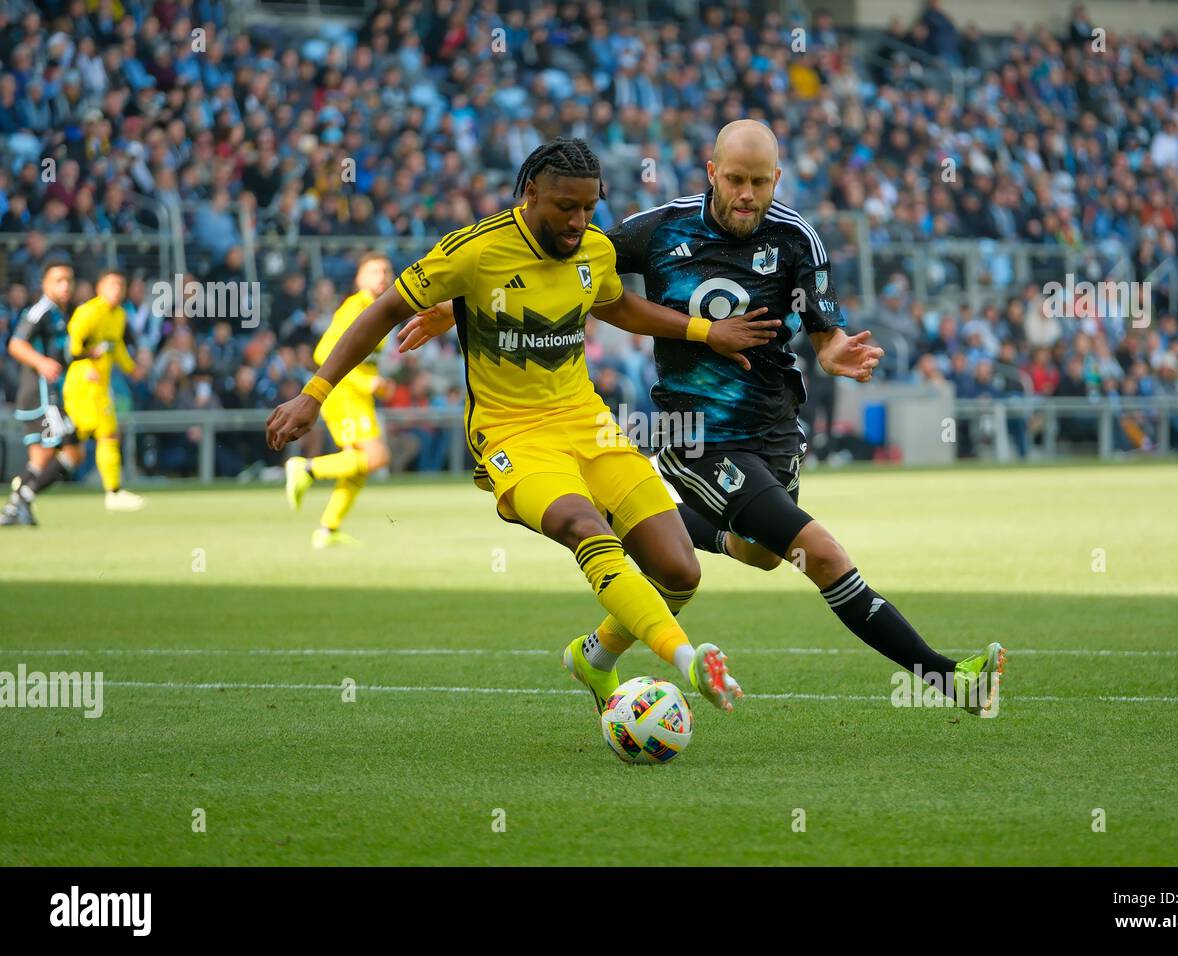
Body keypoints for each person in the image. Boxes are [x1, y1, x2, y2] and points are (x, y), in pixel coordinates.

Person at [400, 123, 1005, 716]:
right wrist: (457, 309)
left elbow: (825, 333)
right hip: (695, 433)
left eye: (760, 182)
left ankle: (603, 637)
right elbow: (562, 261)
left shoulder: (799, 239)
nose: (747, 194)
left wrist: (833, 350)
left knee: (762, 553)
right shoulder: (661, 229)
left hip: (772, 426)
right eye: (736, 179)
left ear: (777, 180)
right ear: (713, 173)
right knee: (821, 553)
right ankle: (949, 678)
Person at [267, 138, 778, 717]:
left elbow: (614, 305)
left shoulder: (593, 249)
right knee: (584, 526)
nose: (578, 221)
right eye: (565, 206)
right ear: (530, 192)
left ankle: (594, 657)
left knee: (679, 571)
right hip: (512, 436)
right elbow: (385, 308)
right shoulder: (476, 251)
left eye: (589, 208)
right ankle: (689, 662)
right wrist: (313, 394)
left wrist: (704, 331)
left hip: (588, 424)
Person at [283, 252, 397, 549]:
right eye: (373, 271)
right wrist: (367, 382)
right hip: (344, 395)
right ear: (359, 278)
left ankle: (328, 529)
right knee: (377, 457)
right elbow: (323, 353)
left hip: (355, 397)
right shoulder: (357, 306)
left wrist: (374, 380)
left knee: (359, 465)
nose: (381, 276)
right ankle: (306, 469)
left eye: (386, 270)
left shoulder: (377, 307)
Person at [2, 259, 84, 526]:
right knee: (73, 452)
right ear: (45, 283)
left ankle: (14, 510)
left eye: (69, 280)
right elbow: (15, 344)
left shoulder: (61, 313)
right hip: (42, 396)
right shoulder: (41, 311)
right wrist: (42, 363)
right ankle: (24, 497)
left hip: (40, 395)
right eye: (58, 280)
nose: (65, 286)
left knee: (39, 459)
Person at [60, 268, 146, 512]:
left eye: (120, 285)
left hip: (99, 386)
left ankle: (33, 477)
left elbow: (115, 347)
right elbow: (71, 348)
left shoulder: (118, 315)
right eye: (111, 285)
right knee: (94, 436)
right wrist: (87, 362)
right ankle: (113, 492)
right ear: (100, 287)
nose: (116, 290)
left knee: (89, 438)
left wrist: (131, 368)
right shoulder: (88, 313)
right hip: (82, 385)